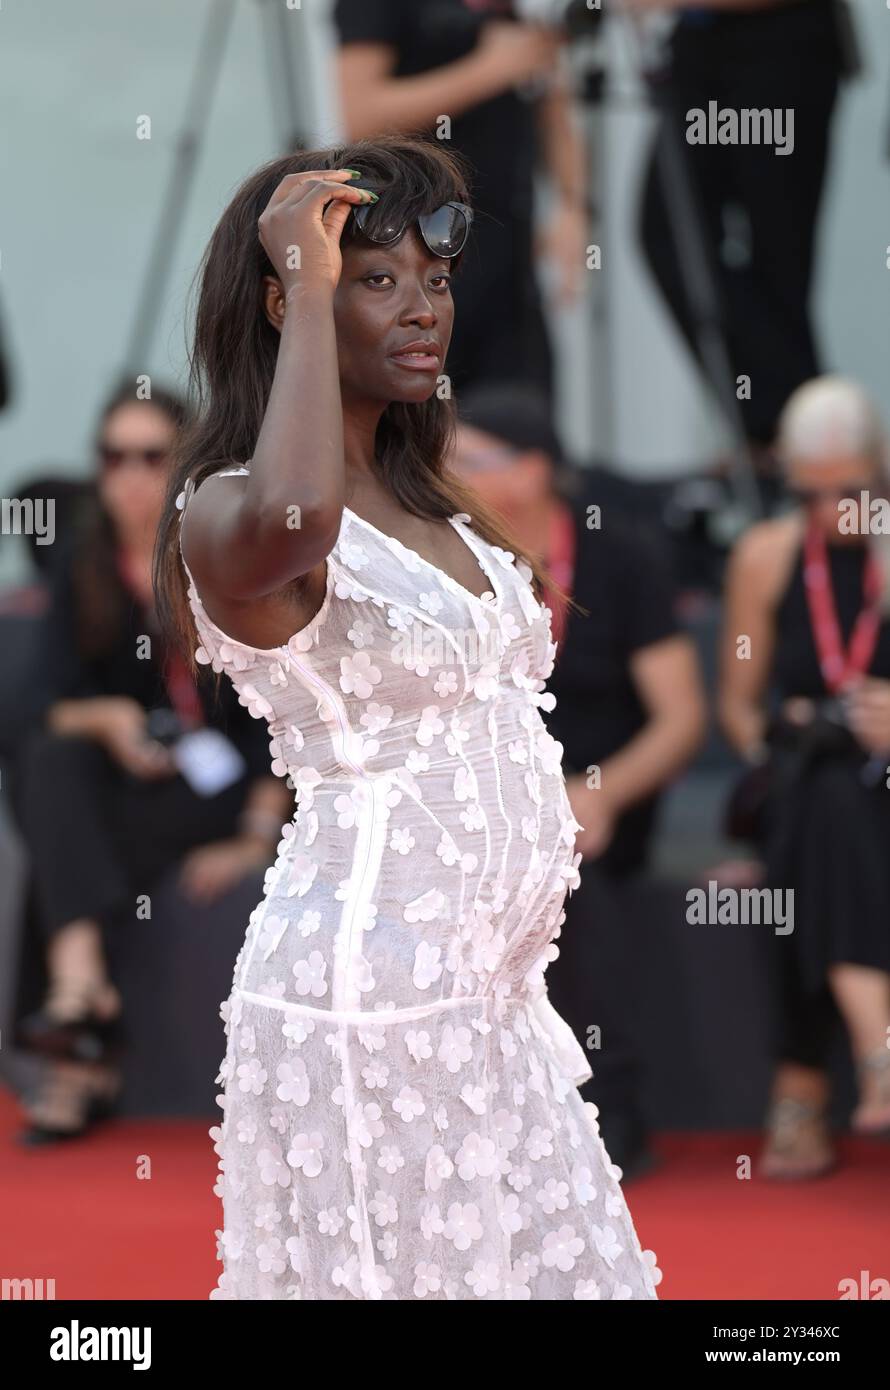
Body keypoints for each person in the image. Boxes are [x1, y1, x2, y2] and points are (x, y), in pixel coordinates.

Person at [155, 135, 662, 1299]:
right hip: (363, 1007)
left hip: (493, 1006)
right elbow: (297, 511)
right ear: (286, 300)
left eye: (431, 280)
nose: (420, 307)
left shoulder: (437, 502)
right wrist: (306, 268)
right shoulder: (231, 507)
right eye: (371, 277)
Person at [12, 382, 291, 1143]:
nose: (128, 476)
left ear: (186, 465)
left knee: (60, 838)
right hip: (140, 781)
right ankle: (81, 986)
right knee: (53, 764)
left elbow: (287, 713)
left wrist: (255, 840)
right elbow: (40, 699)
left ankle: (75, 1050)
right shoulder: (85, 557)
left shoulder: (229, 552)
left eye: (149, 456)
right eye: (111, 457)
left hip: (229, 785)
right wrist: (108, 721)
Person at [451, 383, 707, 1178]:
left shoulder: (619, 557)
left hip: (601, 790)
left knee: (564, 857)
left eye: (469, 459)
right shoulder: (447, 556)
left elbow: (681, 718)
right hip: (481, 790)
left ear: (533, 470)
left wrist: (599, 790)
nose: (447, 474)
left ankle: (607, 1106)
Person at [718, 376, 890, 1179]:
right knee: (819, 799)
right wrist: (781, 740)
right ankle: (874, 1047)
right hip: (809, 791)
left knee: (817, 838)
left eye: (850, 493)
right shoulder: (766, 557)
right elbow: (738, 709)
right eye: (808, 494)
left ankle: (803, 1081)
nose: (831, 512)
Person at [332, 0, 589, 402]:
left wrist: (573, 207)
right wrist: (490, 69)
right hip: (413, 252)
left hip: (509, 263)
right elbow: (358, 116)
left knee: (525, 429)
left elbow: (554, 107)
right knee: (424, 421)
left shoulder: (516, 10)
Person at [631, 0, 849, 449]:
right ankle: (781, 426)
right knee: (669, 234)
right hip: (703, 49)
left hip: (779, 50)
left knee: (780, 260)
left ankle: (799, 434)